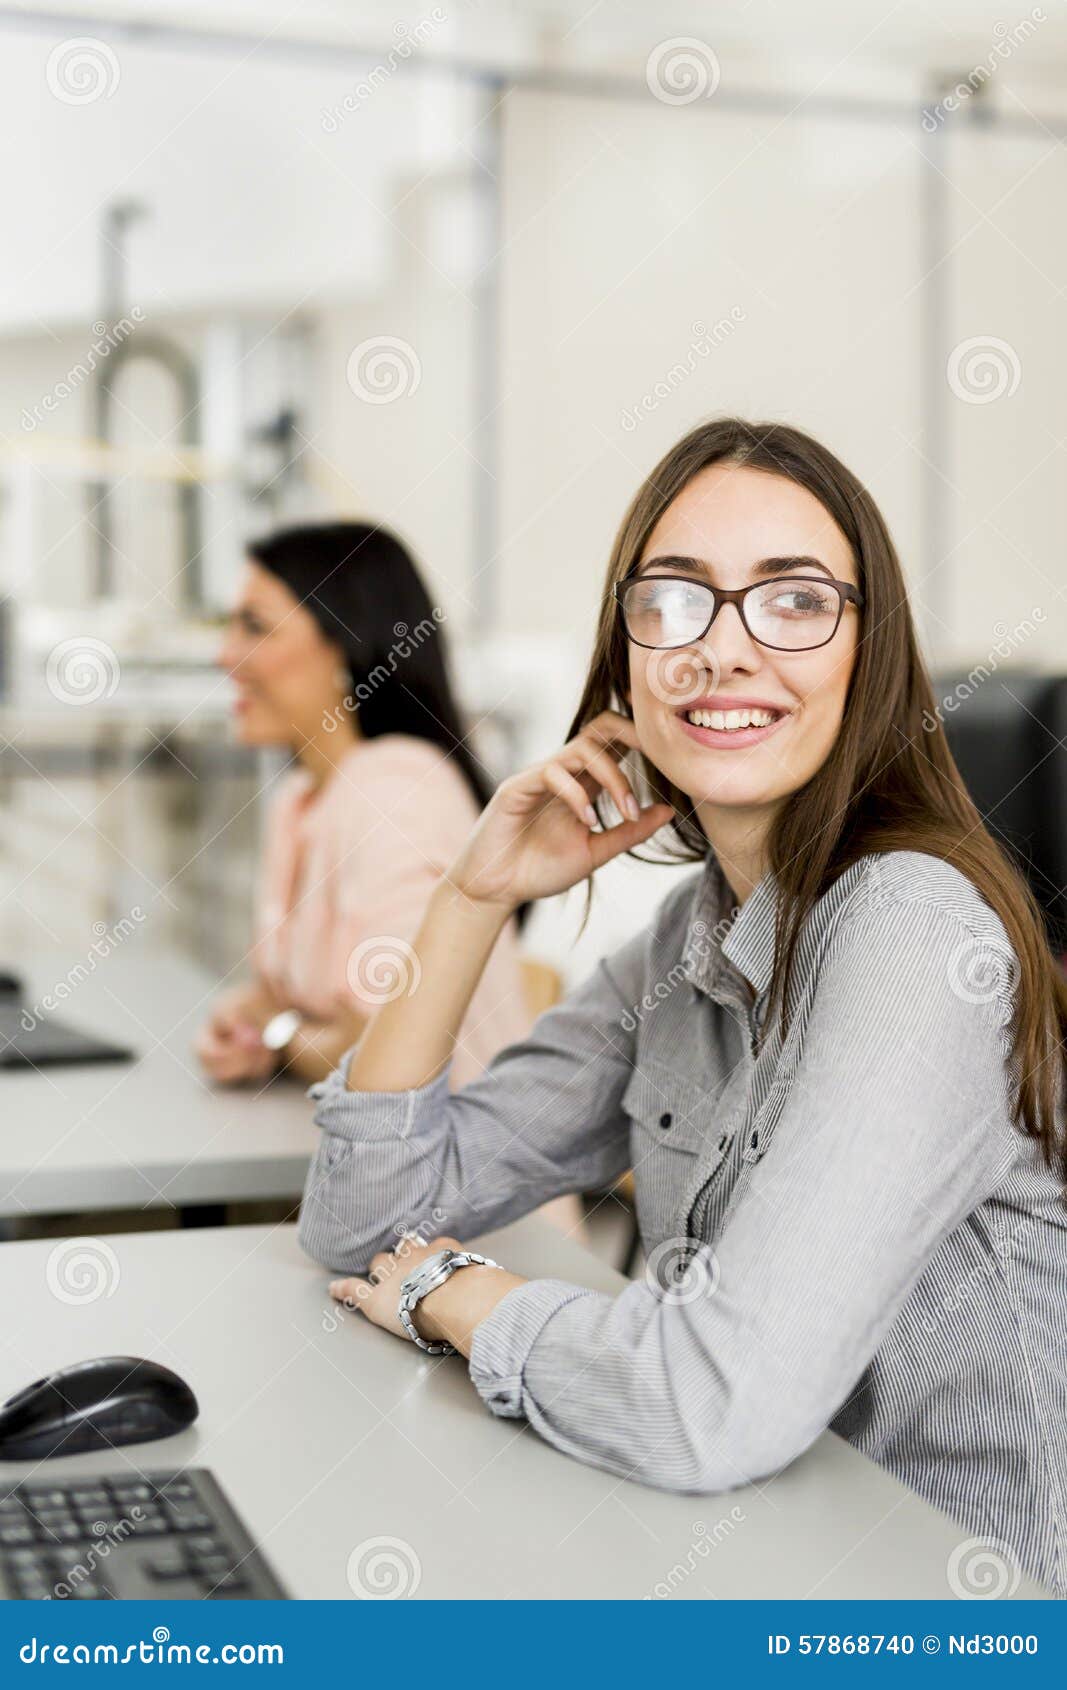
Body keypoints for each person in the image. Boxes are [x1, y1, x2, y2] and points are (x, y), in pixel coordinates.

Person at [298, 420, 1067, 1595]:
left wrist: (461, 1296)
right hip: (750, 1561)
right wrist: (470, 894)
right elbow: (362, 1216)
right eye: (675, 599)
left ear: (870, 652)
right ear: (624, 652)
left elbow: (713, 1405)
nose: (722, 648)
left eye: (793, 601)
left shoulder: (912, 929)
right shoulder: (689, 941)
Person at [196, 520, 583, 1232]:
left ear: (343, 644)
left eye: (255, 626)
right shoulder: (301, 798)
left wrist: (278, 1041)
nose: (227, 656)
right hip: (386, 1200)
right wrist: (256, 1014)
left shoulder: (395, 789)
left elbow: (380, 1041)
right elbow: (305, 995)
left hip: (481, 1229)